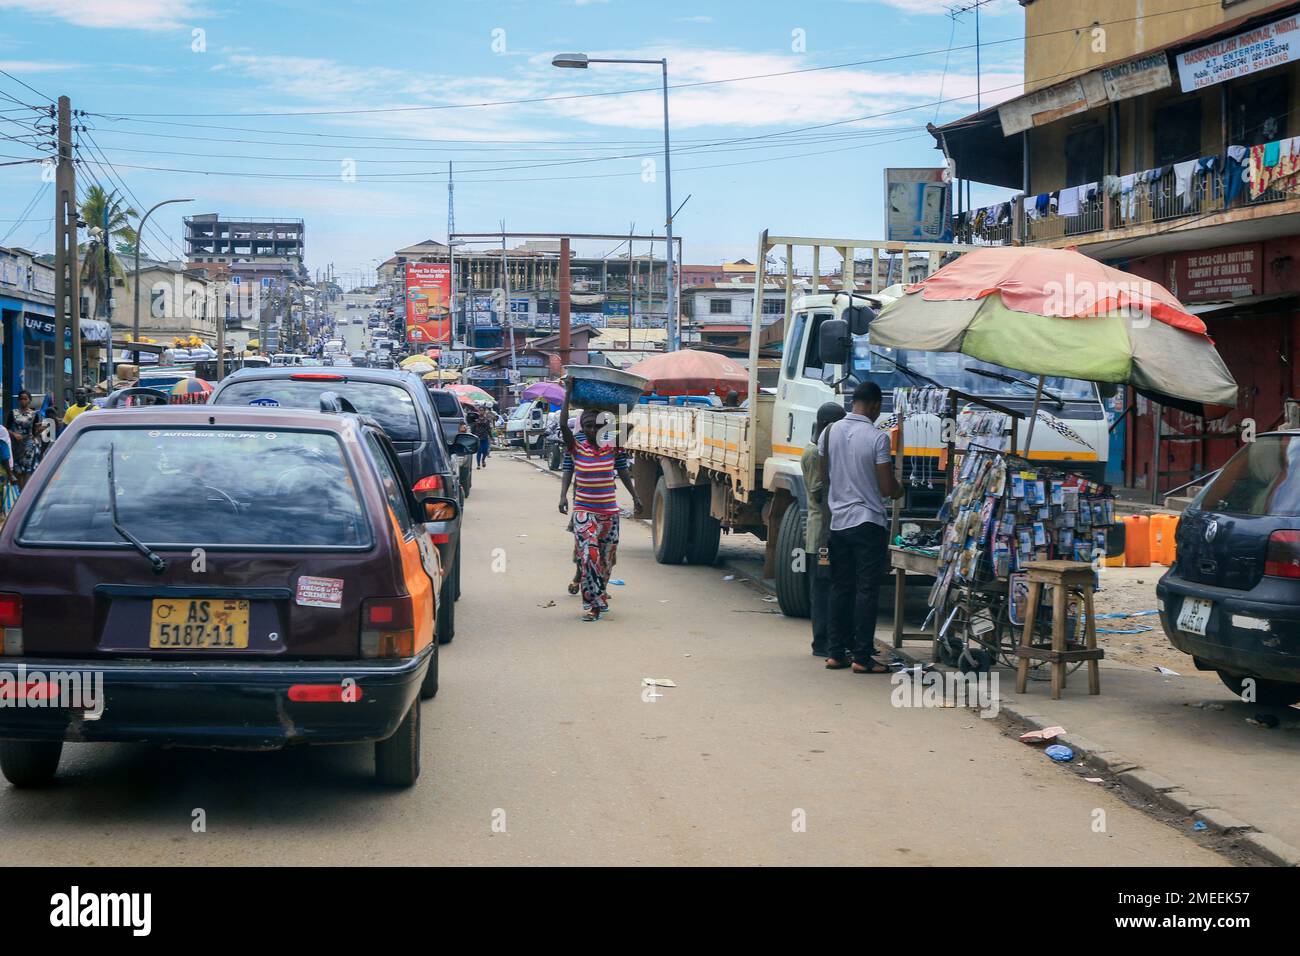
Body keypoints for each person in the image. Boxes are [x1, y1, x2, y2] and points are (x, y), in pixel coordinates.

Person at [819, 380, 902, 673]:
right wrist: (897, 488)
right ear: (877, 405)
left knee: (840, 586)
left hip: (838, 521)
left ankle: (834, 652)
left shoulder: (828, 433)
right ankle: (862, 657)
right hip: (868, 522)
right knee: (866, 589)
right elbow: (884, 487)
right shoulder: (878, 438)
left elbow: (824, 473)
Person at [558, 386, 641, 622]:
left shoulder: (612, 448)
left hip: (609, 515)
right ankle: (593, 605)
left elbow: (623, 467)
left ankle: (601, 593)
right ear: (582, 428)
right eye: (587, 425)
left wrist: (635, 497)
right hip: (584, 512)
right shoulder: (576, 448)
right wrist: (568, 392)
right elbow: (564, 425)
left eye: (597, 425)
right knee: (589, 555)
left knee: (606, 560)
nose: (592, 429)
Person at [802, 402, 846, 658]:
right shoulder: (813, 453)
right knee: (821, 589)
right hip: (819, 537)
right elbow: (819, 493)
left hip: (827, 532)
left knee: (828, 587)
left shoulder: (822, 450)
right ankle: (821, 642)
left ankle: (830, 639)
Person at [5, 390, 41, 490]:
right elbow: (6, 428)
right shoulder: (13, 413)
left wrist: (39, 431)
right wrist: (14, 433)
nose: (23, 401)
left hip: (29, 445)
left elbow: (34, 432)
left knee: (27, 470)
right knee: (18, 470)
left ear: (29, 400)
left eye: (25, 399)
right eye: (21, 399)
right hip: (16, 445)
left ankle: (25, 493)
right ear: (18, 400)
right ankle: (20, 494)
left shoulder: (34, 414)